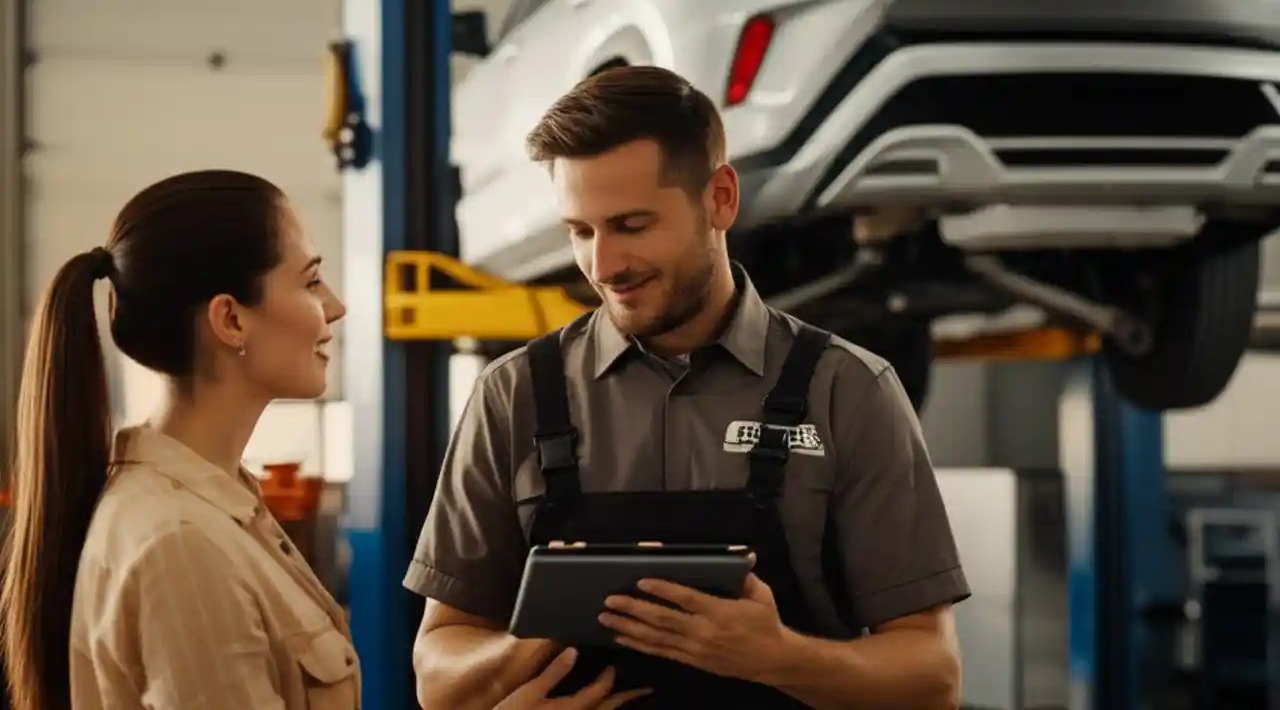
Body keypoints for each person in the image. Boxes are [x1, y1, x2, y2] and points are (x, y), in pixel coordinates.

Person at [407, 66, 969, 709]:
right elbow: (439, 673)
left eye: (633, 225)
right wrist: (531, 646)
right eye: (581, 231)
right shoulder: (514, 397)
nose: (603, 265)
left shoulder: (849, 390)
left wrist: (779, 659)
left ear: (720, 199)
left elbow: (933, 677)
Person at [0, 170, 356, 710]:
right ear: (231, 319)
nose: (334, 306)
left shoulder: (209, 508)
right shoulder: (183, 544)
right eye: (310, 282)